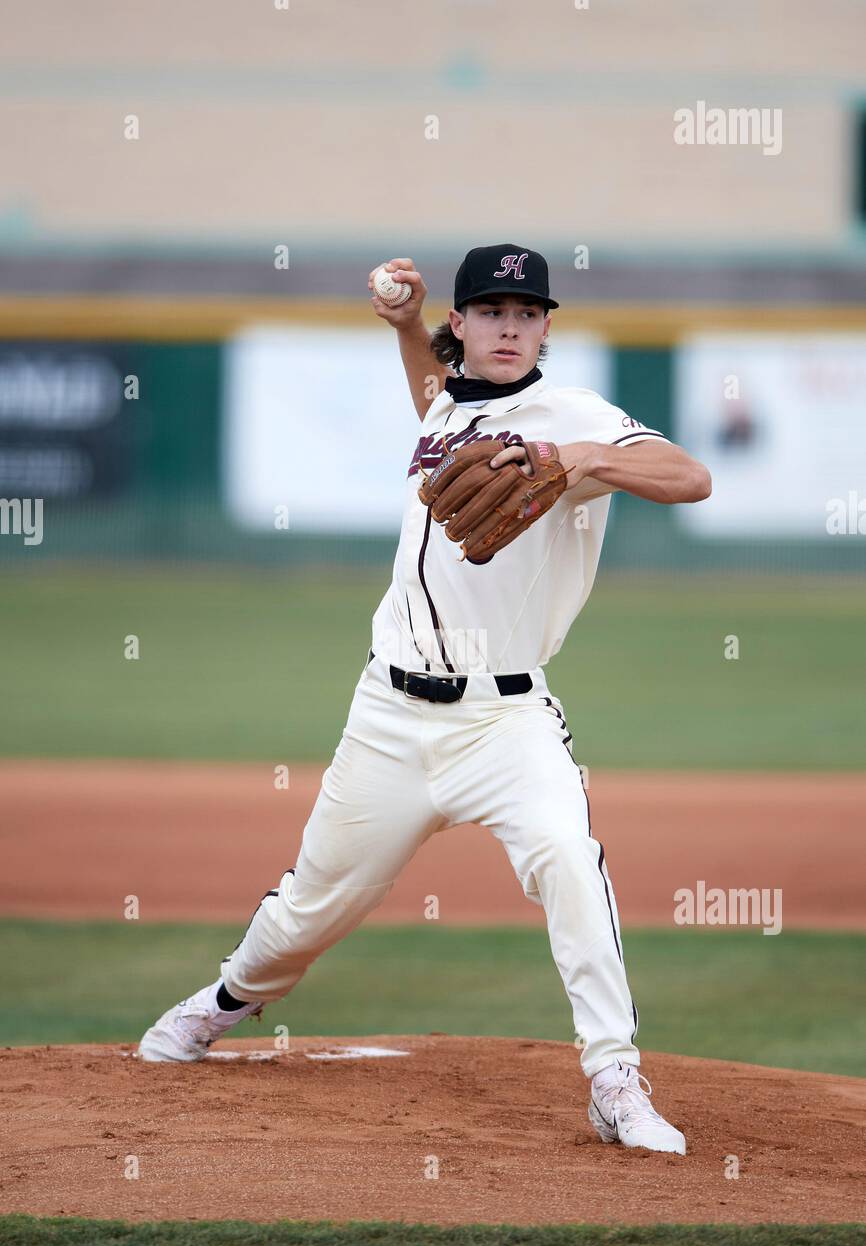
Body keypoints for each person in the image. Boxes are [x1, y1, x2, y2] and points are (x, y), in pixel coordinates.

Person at [138, 244, 711, 1156]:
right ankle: (221, 1004)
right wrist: (407, 328)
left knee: (568, 856)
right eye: (492, 311)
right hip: (390, 717)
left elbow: (691, 478)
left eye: (528, 312)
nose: (512, 326)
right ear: (463, 323)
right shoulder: (451, 397)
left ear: (547, 326)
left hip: (506, 719)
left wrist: (580, 457)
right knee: (309, 909)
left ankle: (613, 1079)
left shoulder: (572, 412)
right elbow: (433, 404)